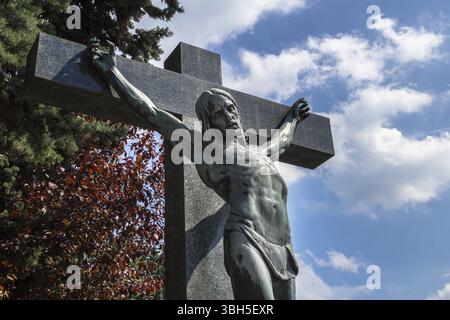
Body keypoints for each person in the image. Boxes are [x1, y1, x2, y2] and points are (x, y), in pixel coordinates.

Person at [88, 38, 310, 300]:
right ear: (209, 122)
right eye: (219, 113)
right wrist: (112, 73)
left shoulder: (263, 153)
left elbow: (283, 138)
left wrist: (294, 117)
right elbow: (151, 112)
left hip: (283, 247)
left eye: (230, 108)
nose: (229, 115)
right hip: (247, 239)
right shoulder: (205, 150)